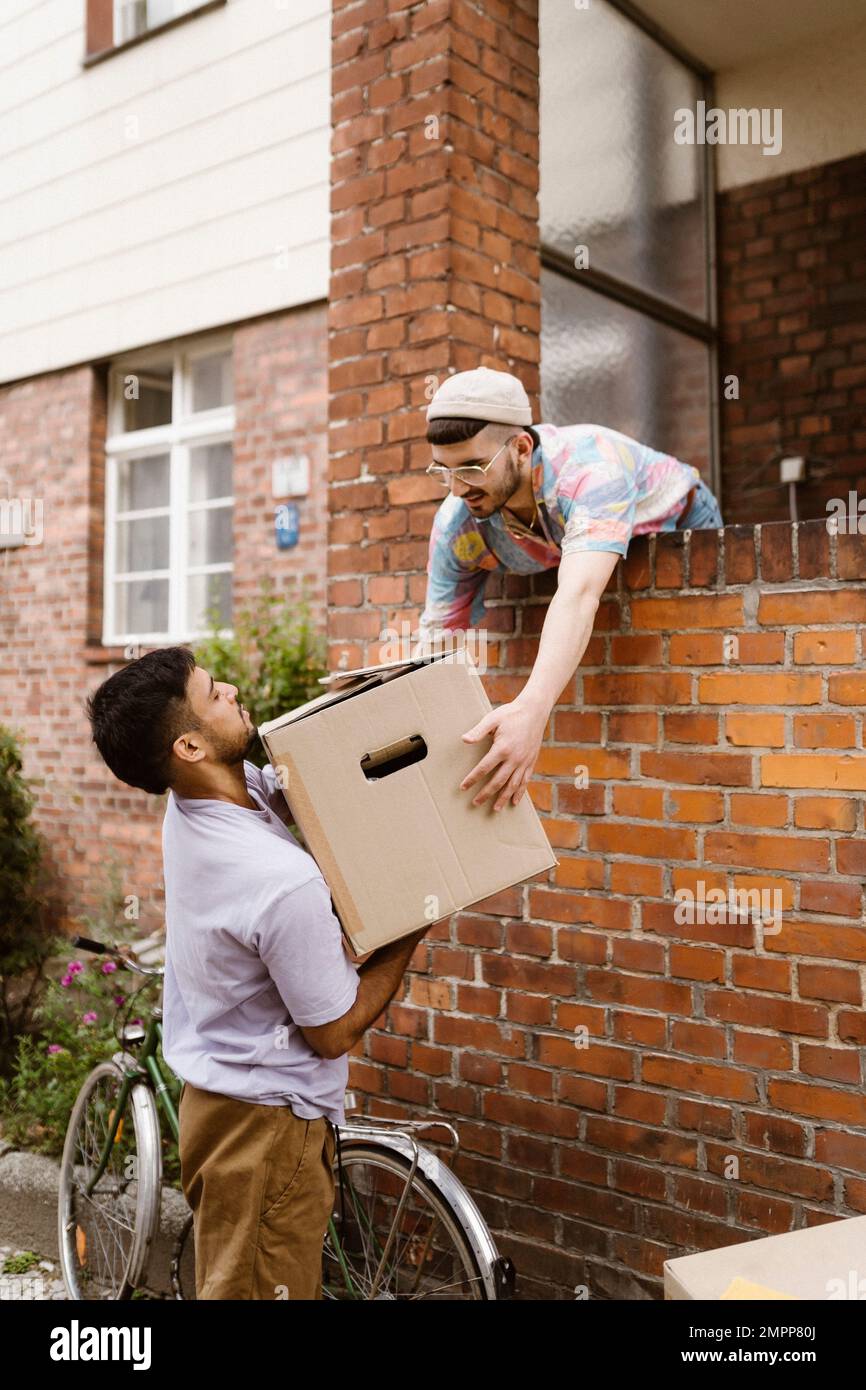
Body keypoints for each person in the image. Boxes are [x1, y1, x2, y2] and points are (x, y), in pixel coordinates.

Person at [85, 647, 428, 1299]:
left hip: (221, 1105)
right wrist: (418, 919)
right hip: (266, 1127)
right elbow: (334, 1031)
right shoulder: (276, 880)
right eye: (214, 693)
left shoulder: (196, 806)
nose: (235, 690)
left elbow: (305, 787)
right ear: (189, 745)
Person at [417, 367, 724, 814]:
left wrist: (530, 710)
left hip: (678, 523)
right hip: (569, 547)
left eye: (472, 467)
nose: (458, 487)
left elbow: (579, 595)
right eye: (442, 471)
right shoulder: (456, 525)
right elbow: (436, 640)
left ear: (521, 447)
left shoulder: (591, 468)